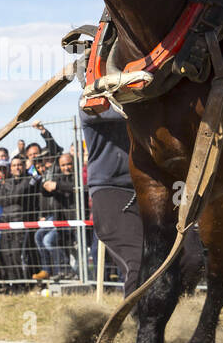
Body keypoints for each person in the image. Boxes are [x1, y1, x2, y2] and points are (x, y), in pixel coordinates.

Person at [79, 107, 202, 294]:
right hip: (113, 190)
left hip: (159, 187)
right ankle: (135, 320)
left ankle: (175, 315)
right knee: (140, 267)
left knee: (192, 259)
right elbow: (125, 109)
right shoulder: (91, 99)